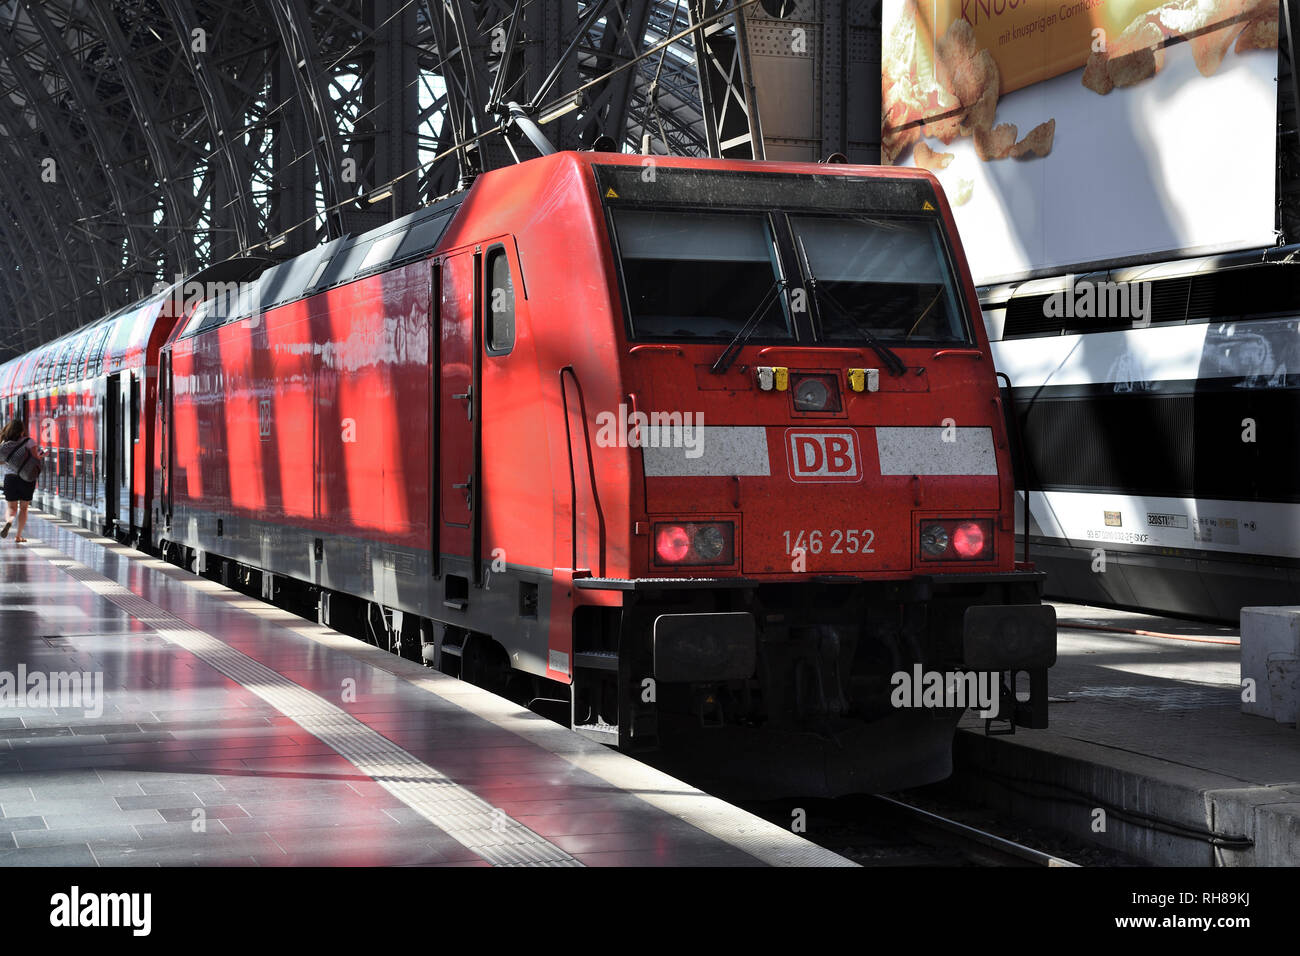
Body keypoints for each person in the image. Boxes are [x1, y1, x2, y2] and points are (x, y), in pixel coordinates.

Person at [0, 419, 40, 543]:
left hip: (10, 478)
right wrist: (41, 456)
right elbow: (35, 458)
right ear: (22, 430)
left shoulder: (4, 444)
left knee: (12, 508)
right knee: (24, 508)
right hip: (26, 478)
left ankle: (9, 521)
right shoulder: (29, 442)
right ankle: (18, 536)